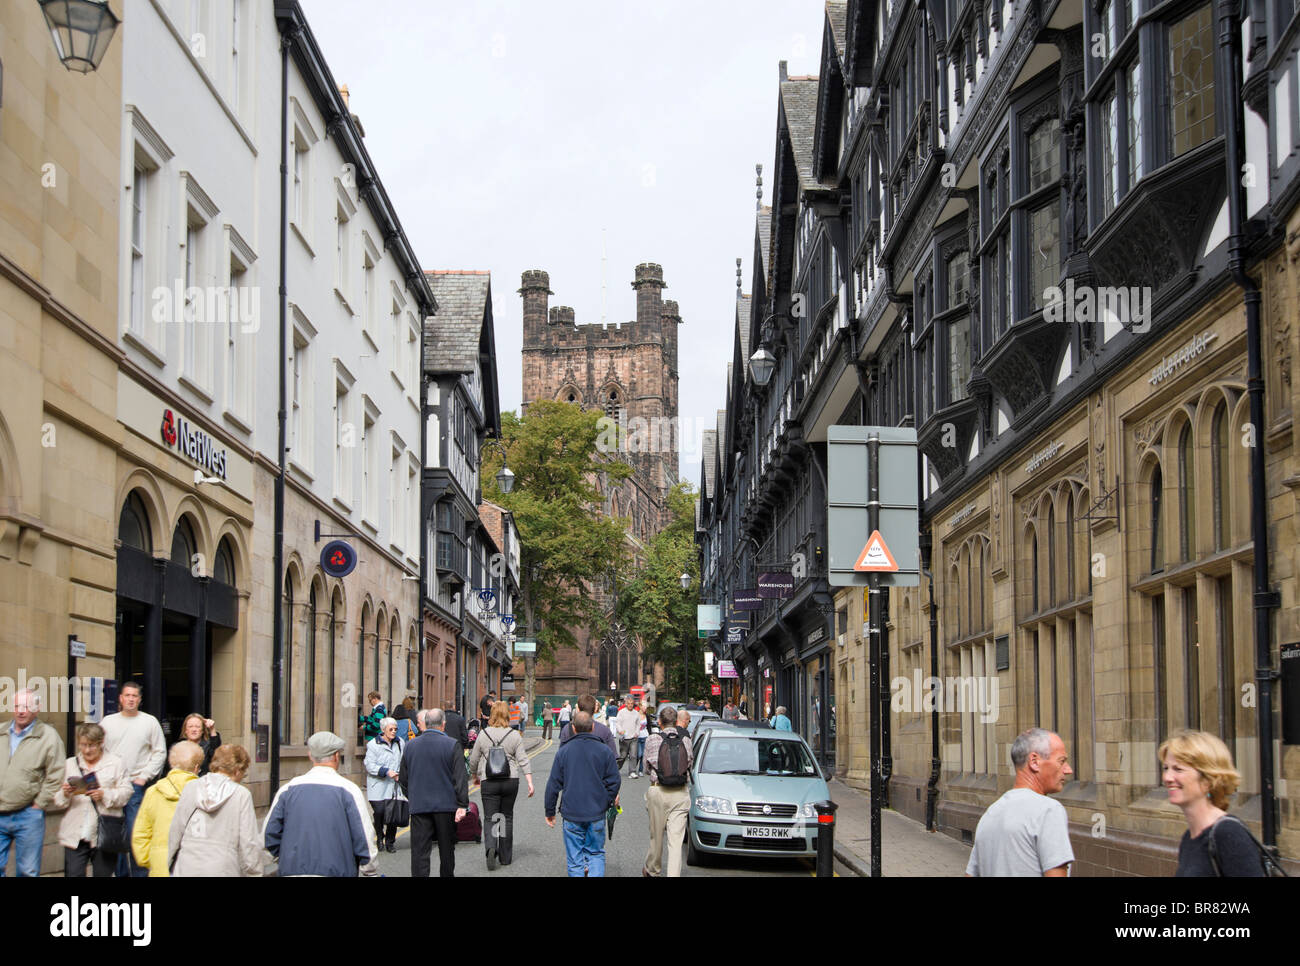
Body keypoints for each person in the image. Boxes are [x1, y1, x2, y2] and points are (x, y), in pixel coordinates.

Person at [264, 731, 379, 877]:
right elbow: (364, 837)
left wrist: (285, 858)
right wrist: (370, 870)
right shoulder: (349, 791)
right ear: (337, 756)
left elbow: (268, 835)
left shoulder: (287, 790)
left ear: (310, 756)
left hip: (292, 871)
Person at [966, 728, 1074, 877]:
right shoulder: (1048, 810)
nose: (1068, 770)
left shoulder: (991, 813)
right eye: (1061, 761)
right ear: (1035, 762)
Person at [1161, 730, 1264, 877]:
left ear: (1208, 778)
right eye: (1166, 768)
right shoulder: (1189, 837)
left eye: (1178, 769)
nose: (1168, 777)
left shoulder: (1228, 833)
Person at [100, 680, 166, 877]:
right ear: (120, 698)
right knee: (114, 836)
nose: (130, 699)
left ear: (139, 699)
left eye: (134, 696)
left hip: (136, 786)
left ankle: (139, 874)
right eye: (127, 695)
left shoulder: (149, 722)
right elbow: (98, 751)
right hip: (112, 787)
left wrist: (144, 777)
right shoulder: (108, 722)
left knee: (135, 835)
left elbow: (159, 752)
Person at [544, 711, 621, 877]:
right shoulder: (604, 751)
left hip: (571, 813)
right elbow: (615, 781)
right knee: (596, 853)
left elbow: (553, 784)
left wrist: (549, 811)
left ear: (573, 727)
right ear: (593, 727)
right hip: (596, 812)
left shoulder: (563, 752)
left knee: (575, 859)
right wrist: (605, 801)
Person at [167, 744, 262, 877]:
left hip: (187, 866)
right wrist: (254, 873)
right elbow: (248, 842)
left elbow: (176, 830)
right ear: (237, 770)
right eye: (244, 773)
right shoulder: (241, 794)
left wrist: (169, 860)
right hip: (223, 868)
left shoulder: (191, 787)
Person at [51, 721, 129, 878]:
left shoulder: (115, 763)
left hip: (104, 832)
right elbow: (58, 800)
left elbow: (126, 793)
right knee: (73, 874)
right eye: (83, 745)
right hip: (75, 833)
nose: (87, 750)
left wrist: (104, 794)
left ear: (101, 743)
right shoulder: (70, 764)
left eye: (92, 745)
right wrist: (65, 793)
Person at [400, 709, 469, 877]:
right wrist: (462, 804)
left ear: (426, 723)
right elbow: (460, 778)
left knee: (419, 853)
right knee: (446, 851)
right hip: (446, 807)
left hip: (419, 807)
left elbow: (403, 779)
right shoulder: (452, 745)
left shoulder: (410, 746)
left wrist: (414, 796)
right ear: (443, 724)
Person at [468, 701, 534, 869]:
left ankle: (491, 846)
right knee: (506, 817)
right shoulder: (514, 735)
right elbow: (523, 759)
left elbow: (473, 759)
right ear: (507, 715)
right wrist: (529, 781)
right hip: (510, 781)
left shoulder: (483, 734)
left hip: (489, 781)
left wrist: (475, 775)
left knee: (491, 817)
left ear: (492, 715)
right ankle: (505, 856)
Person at [130, 740, 203, 877]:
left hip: (161, 866)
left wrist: (151, 860)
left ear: (171, 763)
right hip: (194, 866)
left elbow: (141, 834)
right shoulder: (204, 792)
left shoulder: (154, 791)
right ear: (196, 768)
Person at [642, 705, 694, 877]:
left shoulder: (652, 739)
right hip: (680, 793)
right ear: (676, 722)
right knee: (676, 841)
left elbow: (647, 768)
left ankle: (653, 870)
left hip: (658, 791)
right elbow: (689, 765)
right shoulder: (686, 740)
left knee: (656, 837)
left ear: (659, 722)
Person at [364, 717, 407, 854]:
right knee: (380, 812)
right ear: (383, 730)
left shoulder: (400, 742)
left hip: (394, 785)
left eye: (395, 729)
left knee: (393, 814)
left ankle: (390, 842)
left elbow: (404, 760)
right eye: (391, 729)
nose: (394, 732)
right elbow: (369, 765)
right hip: (377, 785)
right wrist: (386, 771)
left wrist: (402, 774)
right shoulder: (373, 745)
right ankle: (379, 836)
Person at [615, 698, 641, 778]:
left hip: (633, 737)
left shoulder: (636, 713)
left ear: (633, 704)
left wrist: (637, 732)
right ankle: (615, 769)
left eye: (632, 704)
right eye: (628, 703)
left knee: (633, 755)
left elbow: (638, 724)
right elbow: (618, 723)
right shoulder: (621, 712)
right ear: (626, 704)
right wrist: (620, 730)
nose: (630, 705)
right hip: (624, 738)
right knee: (623, 756)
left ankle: (632, 772)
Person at [636, 706, 649, 775]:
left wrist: (650, 735)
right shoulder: (636, 715)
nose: (645, 708)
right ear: (640, 707)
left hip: (645, 736)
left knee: (643, 755)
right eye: (644, 707)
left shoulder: (647, 716)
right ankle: (633, 767)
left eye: (646, 707)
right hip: (637, 736)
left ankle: (640, 770)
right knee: (639, 754)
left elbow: (649, 726)